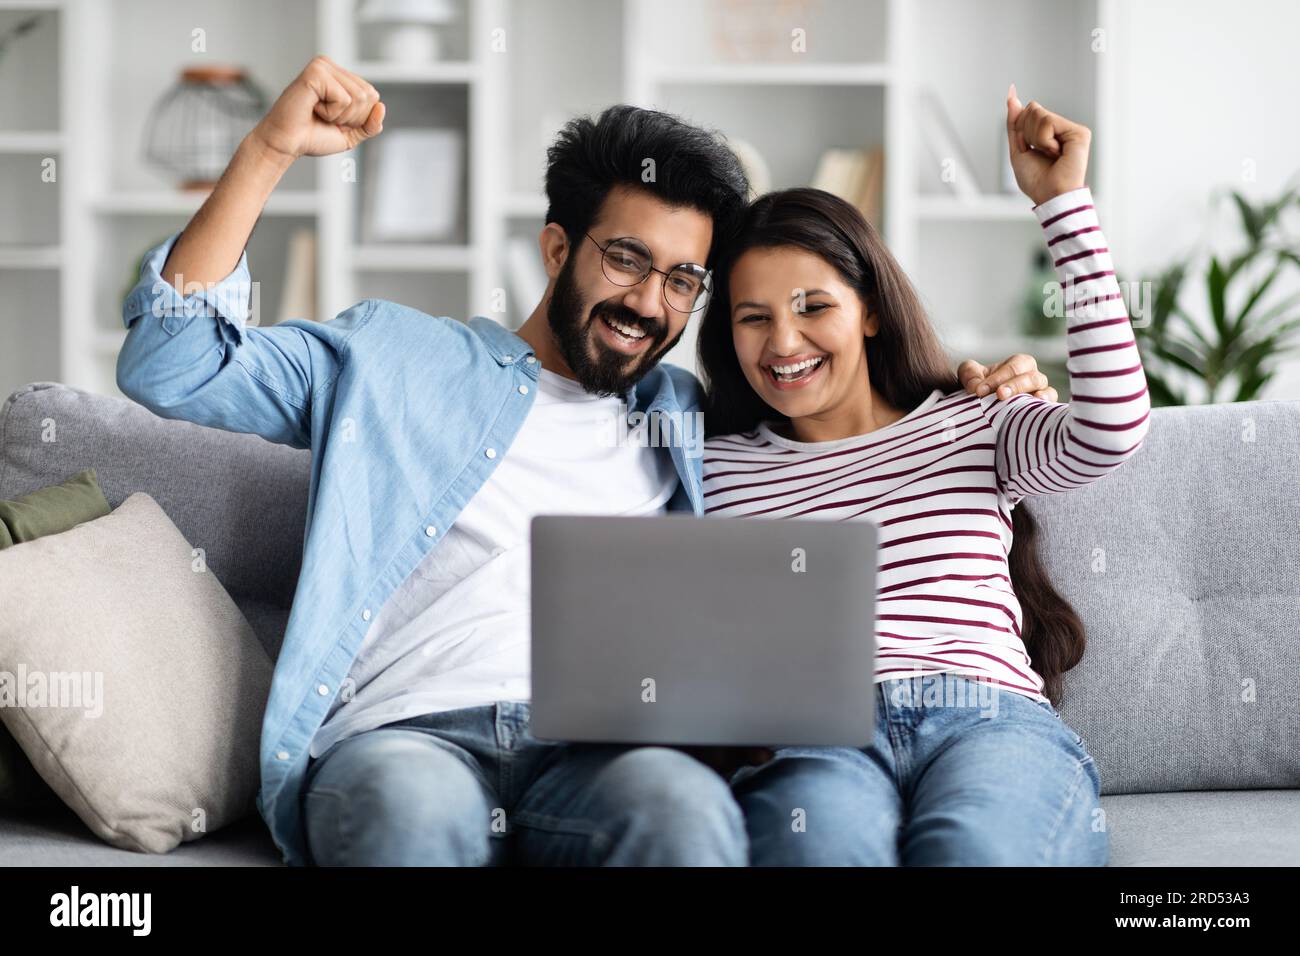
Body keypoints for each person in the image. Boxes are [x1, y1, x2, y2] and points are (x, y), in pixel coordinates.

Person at [117, 57, 1055, 866]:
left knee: (686, 815)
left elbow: (839, 418)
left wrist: (979, 386)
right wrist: (268, 151)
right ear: (558, 247)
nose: (649, 301)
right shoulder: (393, 358)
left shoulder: (687, 421)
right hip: (409, 740)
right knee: (413, 816)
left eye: (683, 279)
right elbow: (176, 363)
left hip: (602, 752)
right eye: (625, 260)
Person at [696, 88, 1150, 865]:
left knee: (975, 849)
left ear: (869, 309)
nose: (784, 341)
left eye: (813, 306)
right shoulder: (710, 466)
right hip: (817, 736)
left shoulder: (972, 420)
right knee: (818, 847)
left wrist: (1063, 206)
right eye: (753, 316)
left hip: (988, 718)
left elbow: (1112, 428)